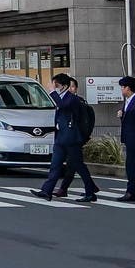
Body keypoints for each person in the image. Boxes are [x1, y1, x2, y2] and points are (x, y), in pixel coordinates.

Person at [36, 73, 98, 203]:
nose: (54, 88)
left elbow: (63, 105)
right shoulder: (61, 98)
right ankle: (46, 190)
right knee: (55, 164)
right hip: (61, 138)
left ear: (64, 86)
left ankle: (90, 190)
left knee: (78, 165)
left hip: (71, 138)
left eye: (56, 85)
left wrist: (53, 92)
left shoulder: (72, 98)